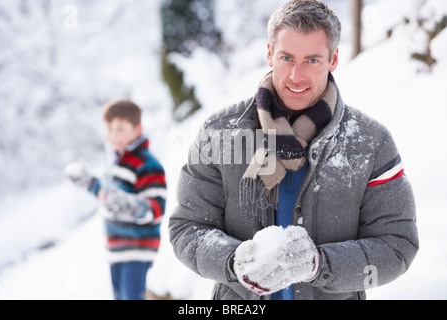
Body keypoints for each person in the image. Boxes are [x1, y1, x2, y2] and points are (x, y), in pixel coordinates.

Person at [169, 0, 418, 300]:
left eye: (312, 60)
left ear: (334, 59)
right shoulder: (219, 133)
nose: (296, 76)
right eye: (287, 57)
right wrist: (233, 262)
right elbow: (187, 229)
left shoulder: (370, 142)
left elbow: (396, 245)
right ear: (269, 54)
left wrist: (320, 265)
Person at [65, 99, 166, 300]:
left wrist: (130, 205)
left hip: (137, 248)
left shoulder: (147, 164)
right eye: (110, 129)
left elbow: (155, 209)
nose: (114, 135)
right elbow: (108, 195)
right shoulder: (118, 164)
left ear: (138, 128)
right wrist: (88, 182)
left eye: (121, 129)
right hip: (116, 249)